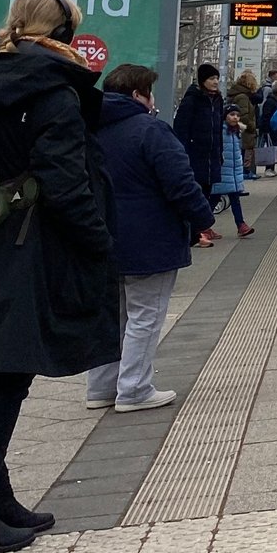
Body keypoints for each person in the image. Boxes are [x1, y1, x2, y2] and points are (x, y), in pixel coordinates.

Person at [0, 0, 120, 553]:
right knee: (7, 376)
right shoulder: (52, 91)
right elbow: (64, 182)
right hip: (29, 243)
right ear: (64, 35)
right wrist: (99, 244)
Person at [88, 63, 214, 414]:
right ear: (137, 95)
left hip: (100, 238)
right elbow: (180, 183)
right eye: (150, 92)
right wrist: (202, 218)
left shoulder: (89, 131)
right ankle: (133, 389)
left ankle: (100, 387)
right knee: (145, 315)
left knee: (112, 315)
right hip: (150, 239)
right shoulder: (151, 131)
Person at [170, 65, 225, 248]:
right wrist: (183, 153)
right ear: (202, 81)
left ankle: (204, 227)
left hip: (212, 154)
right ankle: (195, 232)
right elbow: (181, 128)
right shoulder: (192, 100)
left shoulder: (217, 99)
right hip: (195, 154)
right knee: (197, 192)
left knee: (209, 191)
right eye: (211, 78)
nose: (215, 82)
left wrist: (220, 151)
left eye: (216, 78)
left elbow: (218, 130)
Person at [214, 106, 254, 237]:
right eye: (232, 114)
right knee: (213, 199)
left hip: (232, 172)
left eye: (237, 115)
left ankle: (241, 225)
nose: (235, 117)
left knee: (234, 198)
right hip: (222, 171)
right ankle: (202, 227)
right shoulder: (220, 131)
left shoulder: (236, 132)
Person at [228, 71, 261, 178]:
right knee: (245, 156)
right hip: (246, 132)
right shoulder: (243, 97)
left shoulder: (237, 94)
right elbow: (243, 116)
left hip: (242, 131)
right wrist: (252, 126)